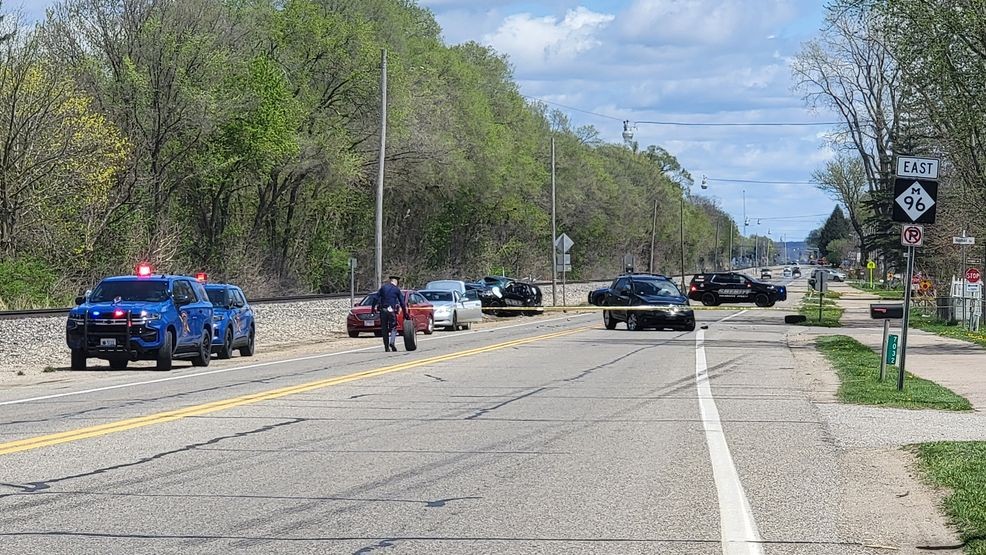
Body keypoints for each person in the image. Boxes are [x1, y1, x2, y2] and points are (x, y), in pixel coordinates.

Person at [375, 275, 408, 352]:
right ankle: (392, 342)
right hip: (391, 310)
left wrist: (373, 308)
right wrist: (405, 312)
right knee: (393, 327)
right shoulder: (396, 289)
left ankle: (386, 347)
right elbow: (402, 302)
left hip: (383, 310)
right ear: (396, 281)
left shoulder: (383, 288)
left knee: (384, 328)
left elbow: (375, 298)